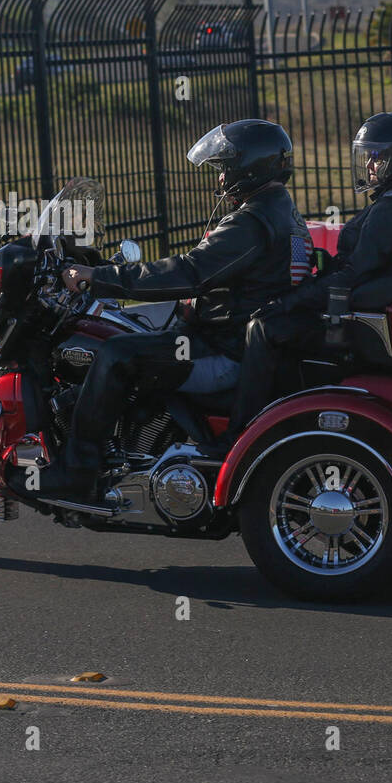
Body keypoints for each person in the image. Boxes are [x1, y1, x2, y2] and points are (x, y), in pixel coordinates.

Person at [34, 119, 312, 501]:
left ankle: (77, 470)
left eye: (226, 169)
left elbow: (190, 272)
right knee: (133, 336)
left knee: (116, 352)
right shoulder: (284, 214)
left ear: (250, 168)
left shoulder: (254, 221)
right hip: (238, 344)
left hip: (221, 351)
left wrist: (97, 276)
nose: (220, 180)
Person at [224, 112, 392, 437]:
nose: (368, 166)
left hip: (351, 320)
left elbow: (351, 275)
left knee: (263, 327)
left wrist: (288, 300)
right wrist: (322, 263)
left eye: (377, 158)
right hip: (359, 305)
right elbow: (362, 264)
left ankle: (243, 431)